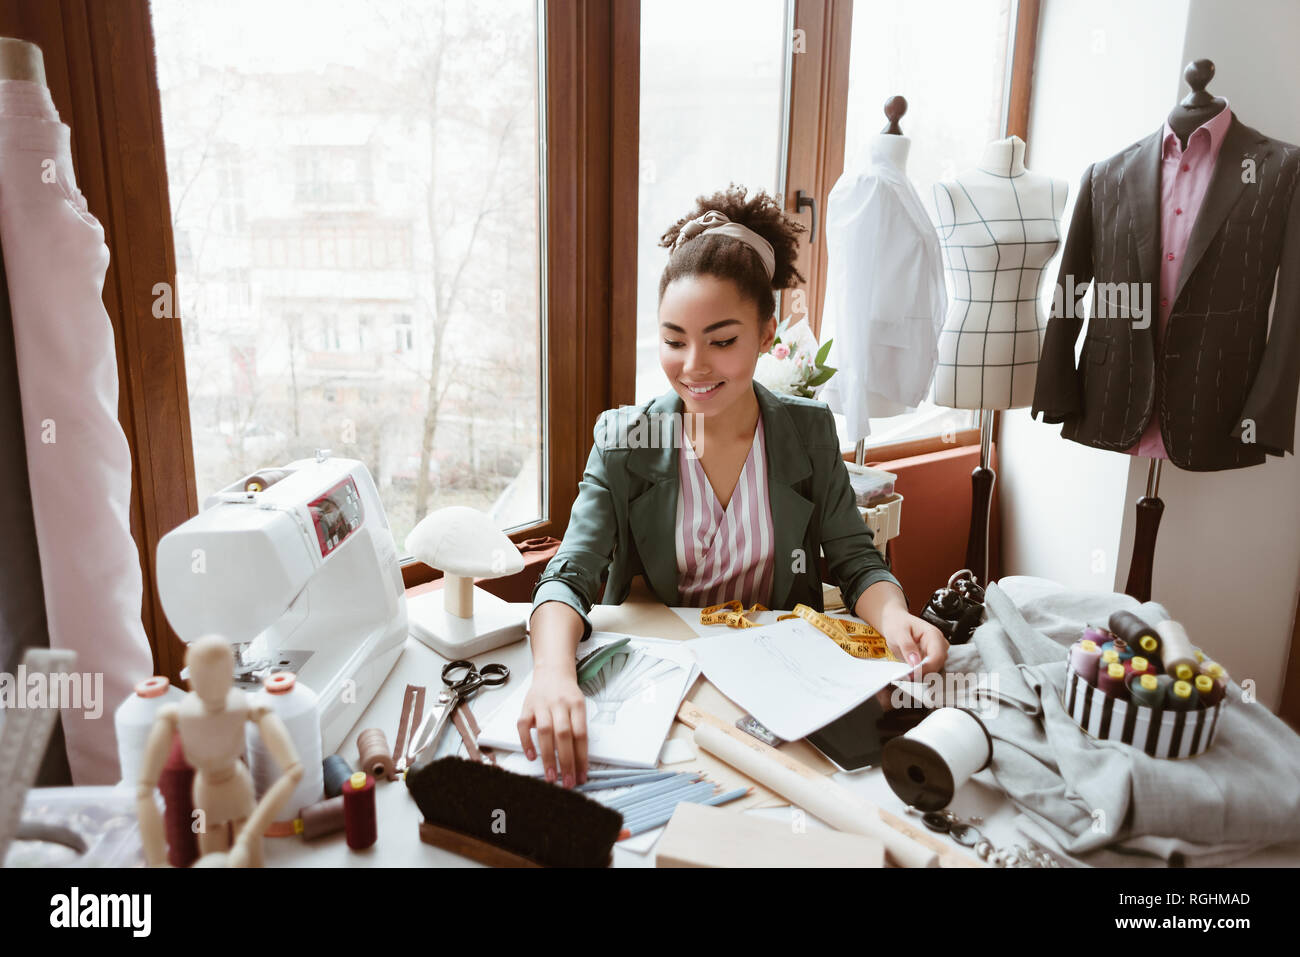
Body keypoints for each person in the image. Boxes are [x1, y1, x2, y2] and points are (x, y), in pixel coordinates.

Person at [518, 185, 948, 787]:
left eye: (722, 341)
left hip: (776, 692)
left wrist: (897, 617)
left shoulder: (809, 432)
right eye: (673, 340)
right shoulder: (624, 442)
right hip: (661, 691)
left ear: (767, 334)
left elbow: (856, 563)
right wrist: (553, 673)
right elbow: (567, 575)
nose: (693, 365)